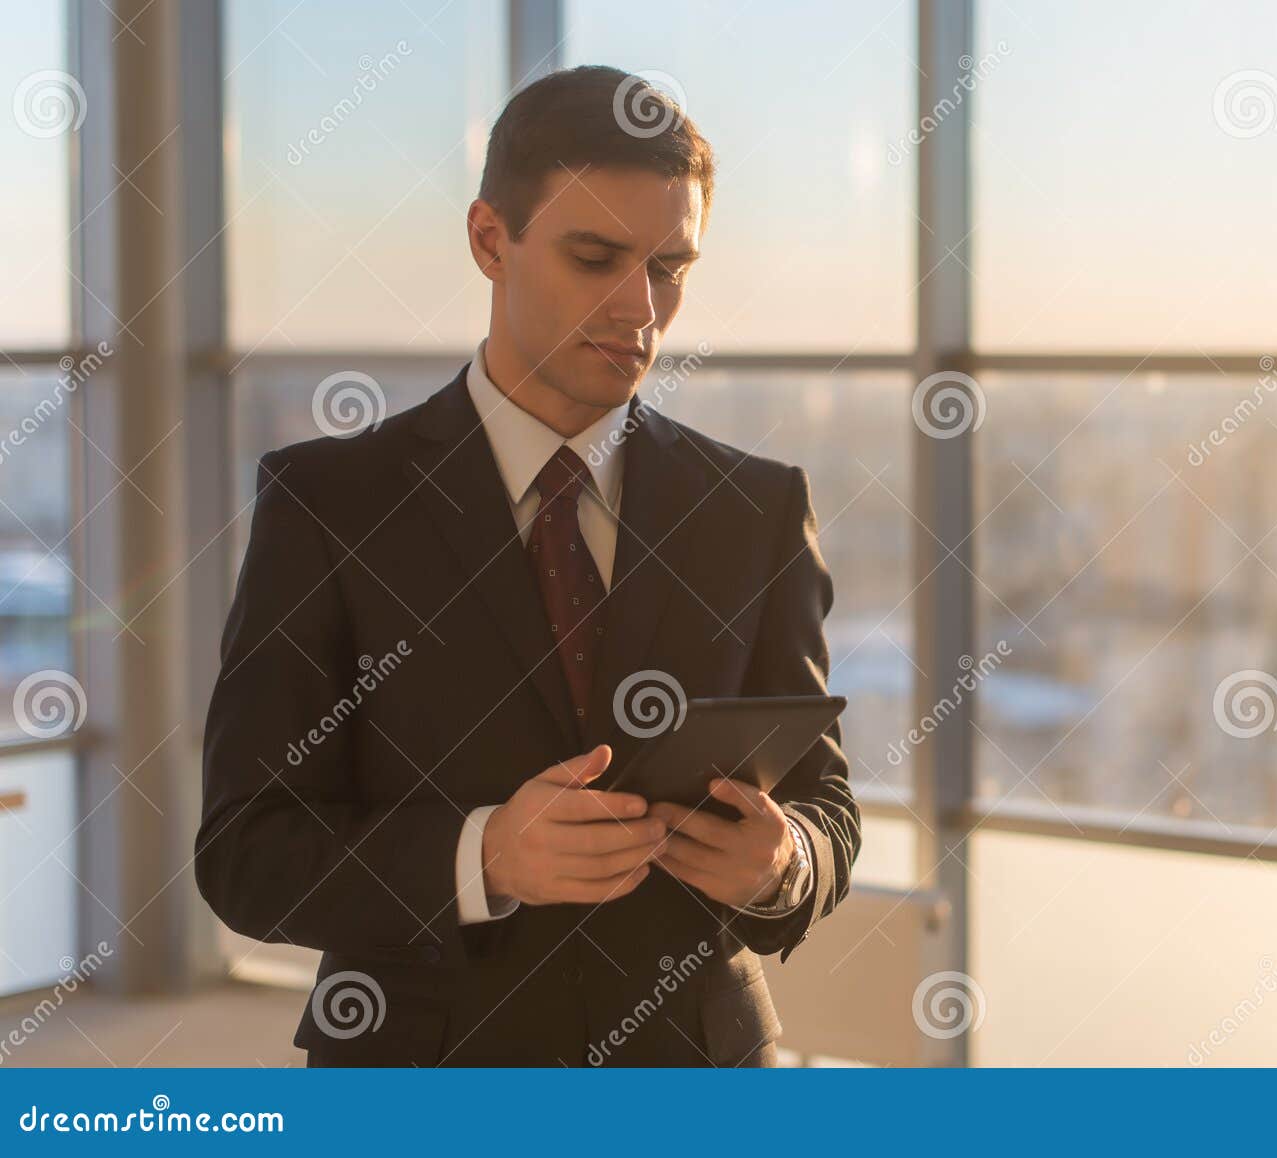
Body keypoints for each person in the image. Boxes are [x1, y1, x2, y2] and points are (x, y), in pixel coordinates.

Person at [195, 65, 859, 1067]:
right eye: (595, 257)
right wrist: (483, 855)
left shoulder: (756, 510)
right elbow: (246, 853)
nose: (640, 308)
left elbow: (824, 808)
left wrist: (782, 863)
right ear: (488, 242)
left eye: (670, 267)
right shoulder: (330, 504)